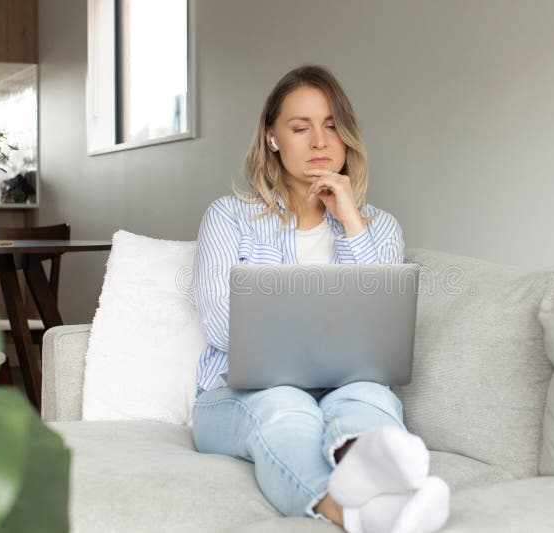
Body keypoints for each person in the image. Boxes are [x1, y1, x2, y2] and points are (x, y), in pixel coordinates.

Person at [191, 65, 450, 533]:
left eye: (332, 126)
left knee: (370, 395)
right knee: (288, 407)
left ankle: (376, 481)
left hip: (345, 390)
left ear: (347, 136)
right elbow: (222, 326)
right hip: (239, 396)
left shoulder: (380, 227)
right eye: (300, 127)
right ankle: (349, 510)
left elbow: (379, 335)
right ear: (272, 138)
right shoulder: (229, 218)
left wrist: (351, 223)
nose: (320, 142)